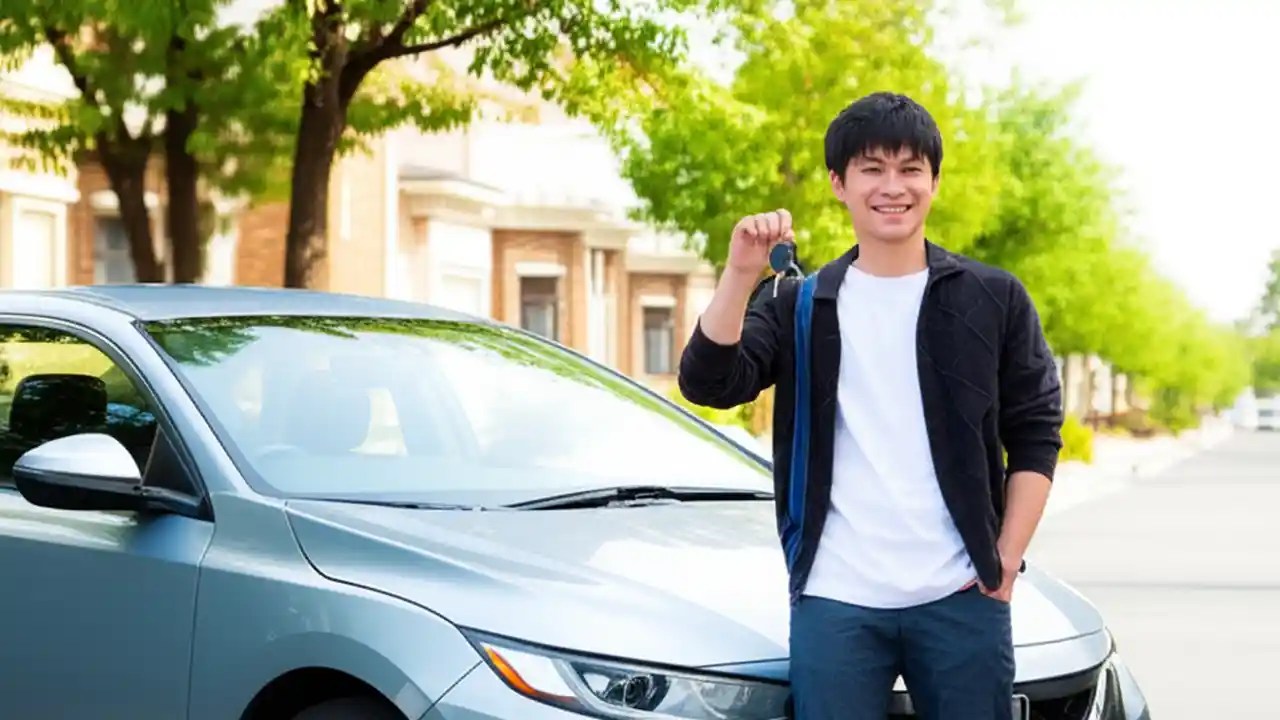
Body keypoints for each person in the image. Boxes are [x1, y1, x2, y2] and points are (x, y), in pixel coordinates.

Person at [677, 91, 1064, 719]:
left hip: (962, 595)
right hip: (837, 600)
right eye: (872, 169)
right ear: (839, 183)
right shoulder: (800, 303)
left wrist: (1007, 561)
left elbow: (1037, 432)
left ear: (934, 181)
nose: (894, 187)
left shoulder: (993, 298)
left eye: (911, 169)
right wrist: (741, 273)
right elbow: (710, 383)